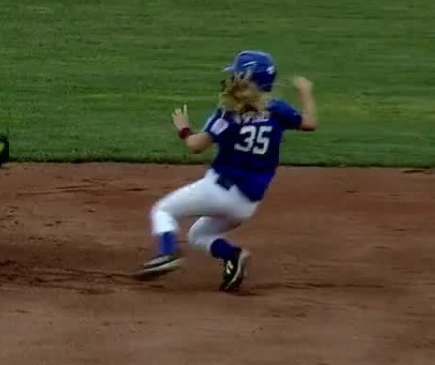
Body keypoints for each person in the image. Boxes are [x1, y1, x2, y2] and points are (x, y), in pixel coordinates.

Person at [134, 50, 319, 292]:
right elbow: (309, 123)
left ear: (246, 78)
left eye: (237, 74)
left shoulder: (228, 114)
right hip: (246, 206)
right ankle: (233, 256)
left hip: (217, 191)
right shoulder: (278, 110)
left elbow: (195, 146)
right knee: (198, 236)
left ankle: (167, 253)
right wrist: (305, 91)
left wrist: (184, 129)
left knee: (163, 211)